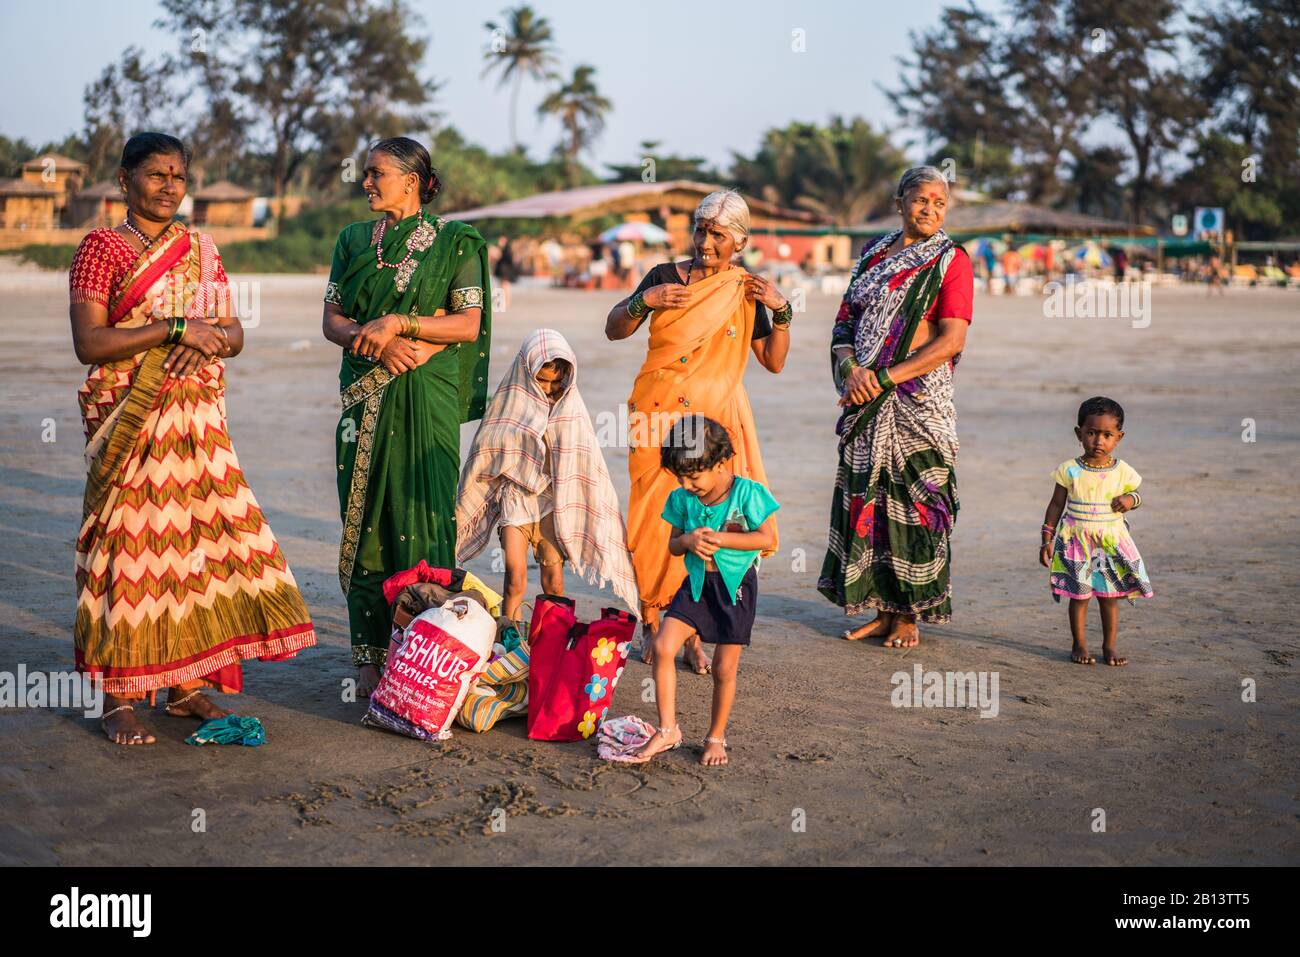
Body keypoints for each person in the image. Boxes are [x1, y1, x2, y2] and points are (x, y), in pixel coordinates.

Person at [69, 132, 316, 745]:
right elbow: (90, 344)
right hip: (129, 416)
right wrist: (174, 329)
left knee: (195, 550)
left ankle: (184, 686)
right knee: (128, 549)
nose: (170, 185)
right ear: (124, 180)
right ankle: (117, 696)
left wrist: (206, 337)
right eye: (155, 174)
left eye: (178, 175)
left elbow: (233, 332)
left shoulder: (200, 248)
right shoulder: (101, 248)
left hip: (196, 420)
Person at [321, 136, 491, 696]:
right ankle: (369, 653)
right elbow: (333, 321)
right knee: (365, 513)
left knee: (423, 508)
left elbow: (466, 325)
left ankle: (425, 641)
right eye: (366, 174)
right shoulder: (350, 240)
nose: (366, 183)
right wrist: (373, 342)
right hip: (364, 395)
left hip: (427, 395)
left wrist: (400, 325)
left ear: (412, 180)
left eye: (376, 174)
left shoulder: (457, 241)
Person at [605, 190, 790, 675]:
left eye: (718, 234)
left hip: (713, 425)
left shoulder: (743, 290)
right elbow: (614, 329)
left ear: (740, 242)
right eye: (700, 230)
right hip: (657, 416)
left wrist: (782, 309)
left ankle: (691, 631)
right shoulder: (665, 276)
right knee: (654, 517)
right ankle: (651, 619)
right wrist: (645, 300)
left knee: (709, 520)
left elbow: (772, 361)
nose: (705, 242)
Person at [820, 166, 973, 649]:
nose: (930, 209)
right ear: (899, 201)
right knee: (874, 502)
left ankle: (909, 616)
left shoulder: (950, 261)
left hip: (918, 404)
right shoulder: (872, 254)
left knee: (916, 503)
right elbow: (845, 325)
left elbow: (951, 340)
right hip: (865, 401)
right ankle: (884, 610)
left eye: (939, 202)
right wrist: (851, 372)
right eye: (920, 199)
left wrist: (884, 377)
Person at [456, 328, 639, 622]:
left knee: (553, 579)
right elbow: (486, 452)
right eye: (542, 381)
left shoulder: (569, 408)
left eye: (556, 383)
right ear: (526, 372)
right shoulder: (509, 402)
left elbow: (582, 461)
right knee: (515, 577)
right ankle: (510, 637)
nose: (548, 389)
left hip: (550, 504)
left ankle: (550, 638)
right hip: (515, 502)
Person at [629, 416, 779, 766]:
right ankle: (667, 730)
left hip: (734, 590)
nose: (686, 483)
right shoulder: (681, 499)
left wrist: (723, 539)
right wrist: (689, 539)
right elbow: (674, 547)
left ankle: (715, 737)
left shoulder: (748, 493)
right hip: (695, 586)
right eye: (681, 476)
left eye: (694, 476)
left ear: (720, 463)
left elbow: (767, 539)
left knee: (724, 669)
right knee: (664, 645)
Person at [1039, 397, 1152, 666]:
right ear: (1079, 433)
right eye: (1091, 433)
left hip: (1109, 542)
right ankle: (1079, 644)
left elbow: (1136, 495)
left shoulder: (1122, 470)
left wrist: (1129, 501)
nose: (1098, 441)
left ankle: (1109, 646)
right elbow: (1056, 504)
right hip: (1075, 541)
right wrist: (1046, 538)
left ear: (1118, 437)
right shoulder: (1069, 470)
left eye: (1106, 435)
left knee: (1109, 597)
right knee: (1079, 596)